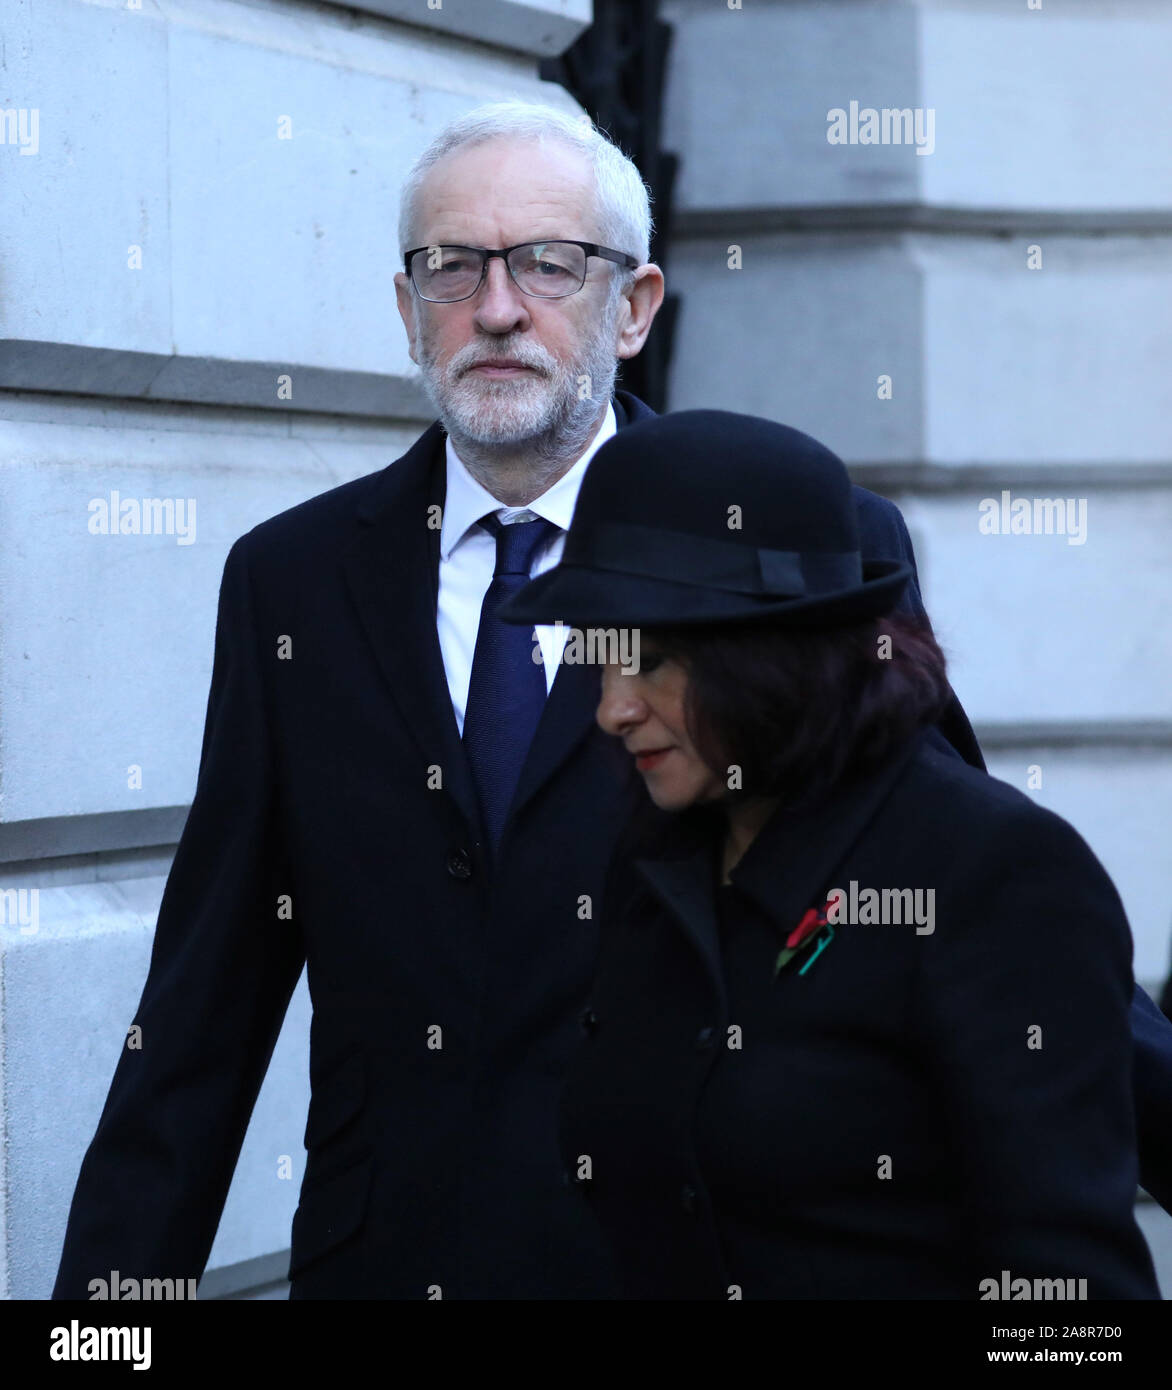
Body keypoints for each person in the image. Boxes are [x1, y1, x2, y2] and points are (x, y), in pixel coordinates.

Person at [51, 101, 1170, 1302]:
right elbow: (203, 1004)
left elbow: (962, 910)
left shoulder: (800, 543)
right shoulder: (293, 580)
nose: (494, 308)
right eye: (450, 267)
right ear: (403, 307)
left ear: (632, 307)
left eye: (546, 263)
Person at [501, 407, 1162, 1300]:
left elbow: (1073, 1311)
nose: (613, 709)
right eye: (601, 659)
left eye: (653, 662)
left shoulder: (990, 869)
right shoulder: (658, 858)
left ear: (776, 659)